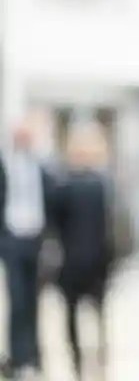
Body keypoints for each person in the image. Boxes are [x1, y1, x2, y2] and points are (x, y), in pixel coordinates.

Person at [49, 121, 117, 380]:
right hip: (72, 264)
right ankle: (78, 367)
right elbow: (54, 225)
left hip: (96, 263)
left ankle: (99, 366)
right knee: (73, 320)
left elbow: (112, 225)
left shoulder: (103, 183)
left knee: (98, 319)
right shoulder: (63, 184)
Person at [0, 113, 60, 380]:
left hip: (35, 240)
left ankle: (34, 358)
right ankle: (17, 357)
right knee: (17, 300)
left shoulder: (42, 167)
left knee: (35, 302)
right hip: (12, 239)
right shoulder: (5, 165)